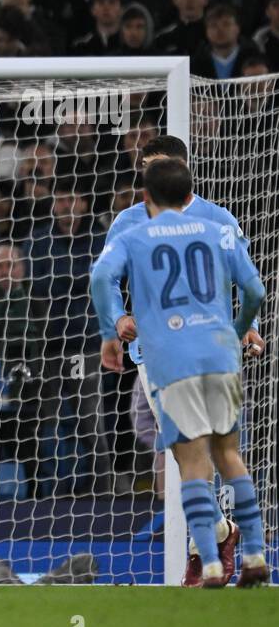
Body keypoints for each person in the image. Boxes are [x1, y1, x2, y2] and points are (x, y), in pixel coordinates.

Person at [91, 158, 269, 588]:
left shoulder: (136, 235)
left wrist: (110, 331)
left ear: (146, 197)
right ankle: (256, 555)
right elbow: (256, 289)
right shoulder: (217, 229)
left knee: (191, 463)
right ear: (192, 193)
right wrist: (240, 327)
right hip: (220, 354)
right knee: (229, 456)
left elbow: (101, 278)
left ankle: (209, 562)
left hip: (171, 359)